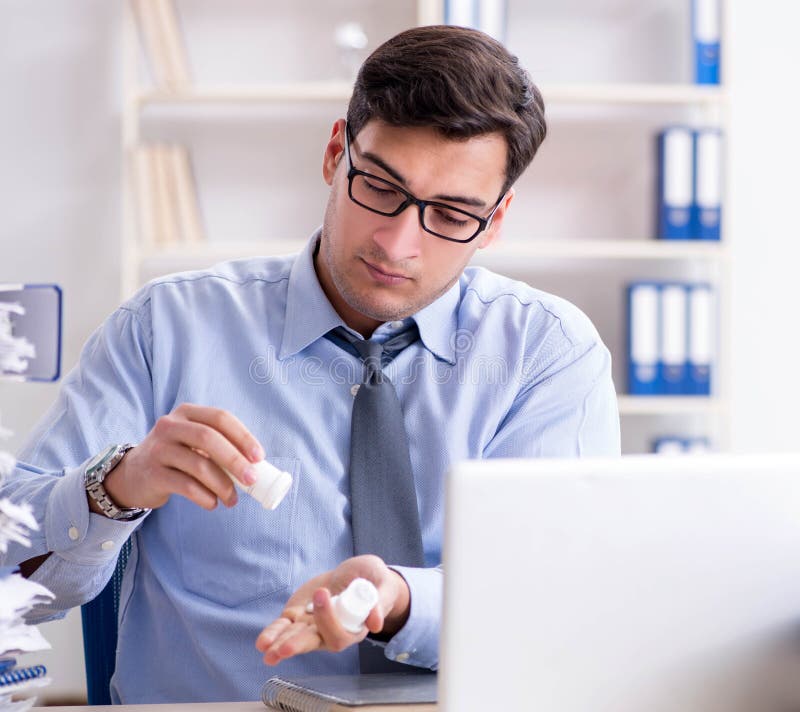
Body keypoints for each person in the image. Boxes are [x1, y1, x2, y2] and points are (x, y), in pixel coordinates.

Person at [0, 24, 619, 703]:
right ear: (335, 154)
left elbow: (555, 599)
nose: (398, 241)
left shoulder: (548, 354)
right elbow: (13, 581)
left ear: (495, 222)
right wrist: (114, 487)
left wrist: (400, 600)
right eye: (380, 186)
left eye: (450, 214)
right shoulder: (166, 330)